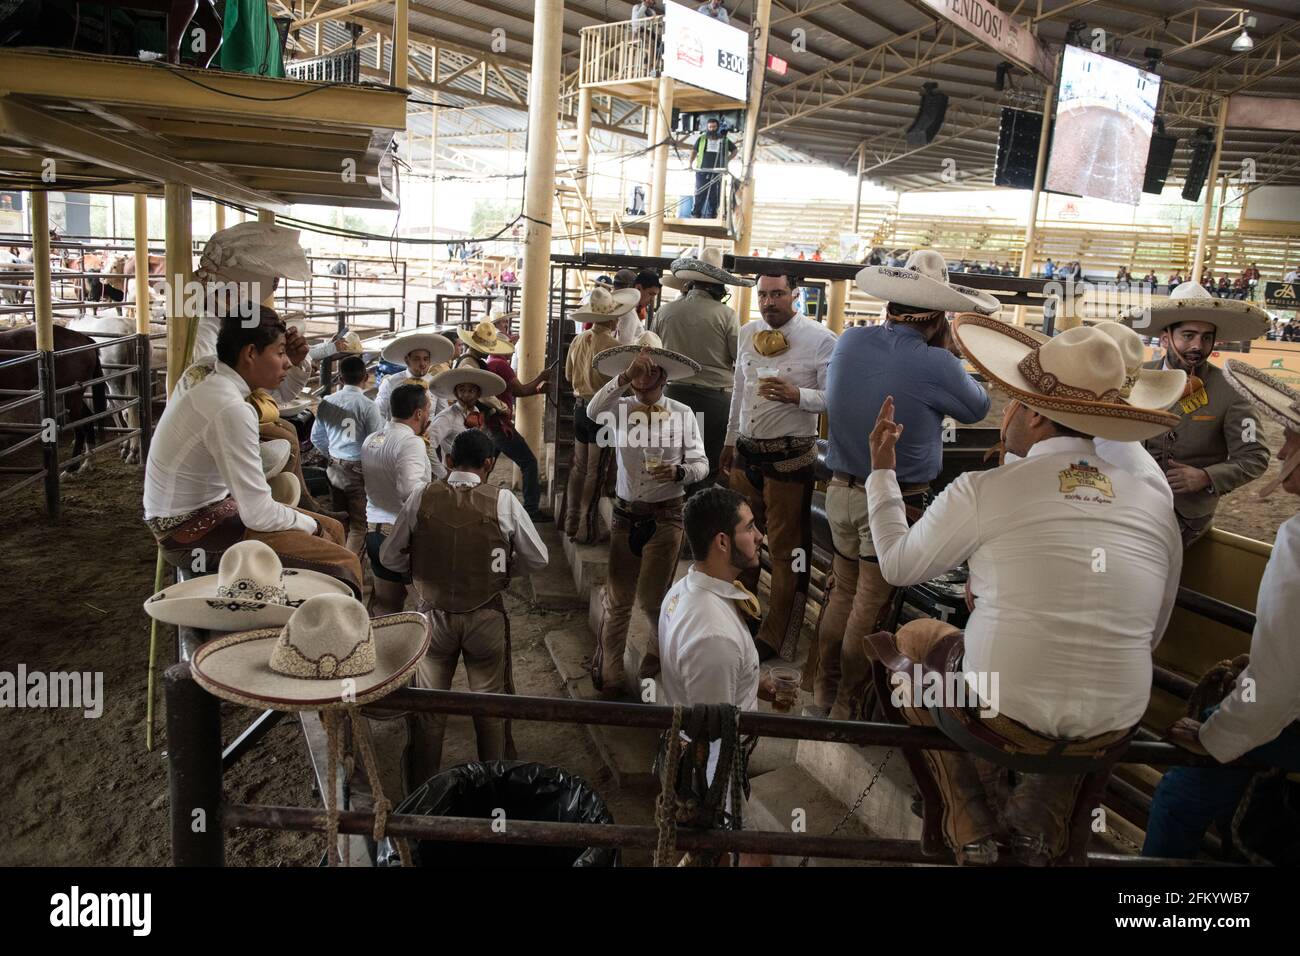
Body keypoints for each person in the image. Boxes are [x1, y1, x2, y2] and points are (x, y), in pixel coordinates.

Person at [870, 319, 1184, 865]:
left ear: (1034, 413)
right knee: (1067, 689)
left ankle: (964, 818)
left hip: (1001, 713)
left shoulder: (985, 489)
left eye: (1011, 402)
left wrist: (882, 473)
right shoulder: (1154, 499)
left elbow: (898, 565)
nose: (1004, 414)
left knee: (914, 639)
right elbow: (1152, 628)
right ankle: (1037, 821)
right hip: (1117, 720)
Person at [812, 250, 997, 720]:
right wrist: (949, 352)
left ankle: (821, 690)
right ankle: (847, 705)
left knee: (842, 590)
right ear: (939, 317)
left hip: (839, 489)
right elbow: (977, 408)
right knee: (869, 602)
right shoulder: (936, 363)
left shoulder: (850, 341)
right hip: (894, 498)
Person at [1143, 361, 1300, 860]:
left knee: (1179, 799)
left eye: (1294, 440)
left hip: (1284, 720)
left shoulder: (1297, 540)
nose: (1283, 449)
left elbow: (1279, 676)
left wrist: (1218, 733)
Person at [143, 309, 362, 596]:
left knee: (330, 528)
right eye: (280, 353)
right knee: (343, 559)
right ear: (249, 353)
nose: (285, 362)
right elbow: (258, 514)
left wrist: (292, 363)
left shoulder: (209, 369)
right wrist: (311, 526)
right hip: (185, 531)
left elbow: (276, 394)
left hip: (189, 509)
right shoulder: (230, 408)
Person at [381, 428, 549, 779]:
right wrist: (504, 569)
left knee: (429, 710)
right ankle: (493, 792)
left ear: (449, 460)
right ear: (489, 464)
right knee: (490, 708)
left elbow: (390, 556)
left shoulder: (421, 497)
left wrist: (420, 575)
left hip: (432, 619)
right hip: (485, 615)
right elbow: (539, 559)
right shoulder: (503, 501)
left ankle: (422, 799)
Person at [658, 486, 780, 865]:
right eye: (751, 527)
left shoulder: (686, 586)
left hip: (697, 745)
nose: (760, 536)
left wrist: (752, 681)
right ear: (724, 541)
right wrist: (719, 814)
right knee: (739, 858)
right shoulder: (714, 634)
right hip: (710, 768)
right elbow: (712, 739)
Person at [721, 272, 836, 662]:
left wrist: (797, 395)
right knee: (740, 542)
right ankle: (741, 620)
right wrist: (729, 440)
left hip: (790, 458)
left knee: (789, 553)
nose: (769, 302)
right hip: (747, 454)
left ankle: (777, 638)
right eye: (763, 295)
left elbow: (832, 398)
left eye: (778, 294)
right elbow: (739, 388)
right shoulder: (747, 331)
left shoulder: (821, 339)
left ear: (796, 295)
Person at [585, 343, 708, 696]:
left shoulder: (684, 413)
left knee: (654, 600)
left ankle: (654, 666)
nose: (643, 376)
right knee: (619, 598)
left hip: (667, 515)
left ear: (664, 376)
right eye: (638, 370)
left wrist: (679, 472)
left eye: (651, 370)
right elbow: (593, 412)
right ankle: (610, 677)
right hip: (625, 514)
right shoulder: (619, 408)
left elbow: (702, 464)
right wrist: (622, 376)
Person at [1124, 281, 1272, 546]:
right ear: (1166, 338)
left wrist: (1206, 476)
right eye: (1188, 336)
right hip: (1127, 498)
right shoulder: (1135, 377)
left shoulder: (1231, 389)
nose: (1198, 345)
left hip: (1185, 515)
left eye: (1206, 337)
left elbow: (1255, 456)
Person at [657, 248, 747, 494]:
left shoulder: (664, 312)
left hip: (671, 396)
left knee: (673, 461)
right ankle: (697, 519)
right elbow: (739, 357)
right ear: (719, 288)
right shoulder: (726, 315)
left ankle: (671, 520)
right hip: (714, 401)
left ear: (689, 283)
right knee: (705, 466)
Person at [456, 319, 556, 521]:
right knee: (528, 462)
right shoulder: (477, 365)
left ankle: (468, 501)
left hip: (486, 423)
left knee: (485, 465)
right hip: (495, 423)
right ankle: (531, 508)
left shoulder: (479, 362)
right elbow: (504, 392)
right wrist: (501, 407)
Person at [361, 383, 432, 616]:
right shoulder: (411, 442)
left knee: (387, 608)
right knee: (428, 609)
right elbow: (409, 490)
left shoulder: (372, 439)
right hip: (400, 537)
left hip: (374, 531)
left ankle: (377, 651)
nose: (429, 415)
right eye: (428, 409)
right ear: (419, 413)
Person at [563, 287, 627, 543]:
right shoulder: (614, 346)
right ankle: (585, 527)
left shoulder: (579, 340)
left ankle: (571, 519)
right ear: (610, 319)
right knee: (595, 470)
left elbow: (568, 375)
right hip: (602, 412)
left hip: (580, 407)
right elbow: (623, 384)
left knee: (579, 466)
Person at [310, 354, 382, 555]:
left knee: (339, 518)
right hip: (358, 469)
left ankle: (335, 557)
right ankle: (349, 568)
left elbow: (316, 437)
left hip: (334, 466)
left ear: (340, 378)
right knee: (359, 525)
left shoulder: (326, 402)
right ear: (366, 377)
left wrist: (331, 454)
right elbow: (376, 442)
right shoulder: (368, 406)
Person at [425, 364, 508, 468]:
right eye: (462, 390)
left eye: (471, 391)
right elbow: (428, 446)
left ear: (478, 394)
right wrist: (443, 473)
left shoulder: (476, 412)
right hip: (453, 476)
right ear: (455, 393)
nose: (466, 395)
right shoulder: (447, 417)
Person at [375, 330, 455, 422]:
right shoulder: (391, 383)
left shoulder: (435, 384)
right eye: (417, 359)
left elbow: (442, 416)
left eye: (426, 359)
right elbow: (378, 414)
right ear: (407, 360)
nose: (422, 364)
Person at [692, 118, 736, 220]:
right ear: (707, 127)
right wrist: (690, 163)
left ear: (717, 127)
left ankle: (712, 214)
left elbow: (734, 150)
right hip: (702, 170)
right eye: (710, 127)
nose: (712, 129)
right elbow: (694, 151)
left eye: (714, 127)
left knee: (715, 193)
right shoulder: (702, 139)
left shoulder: (724, 139)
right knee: (699, 191)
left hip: (717, 170)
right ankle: (696, 213)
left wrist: (727, 160)